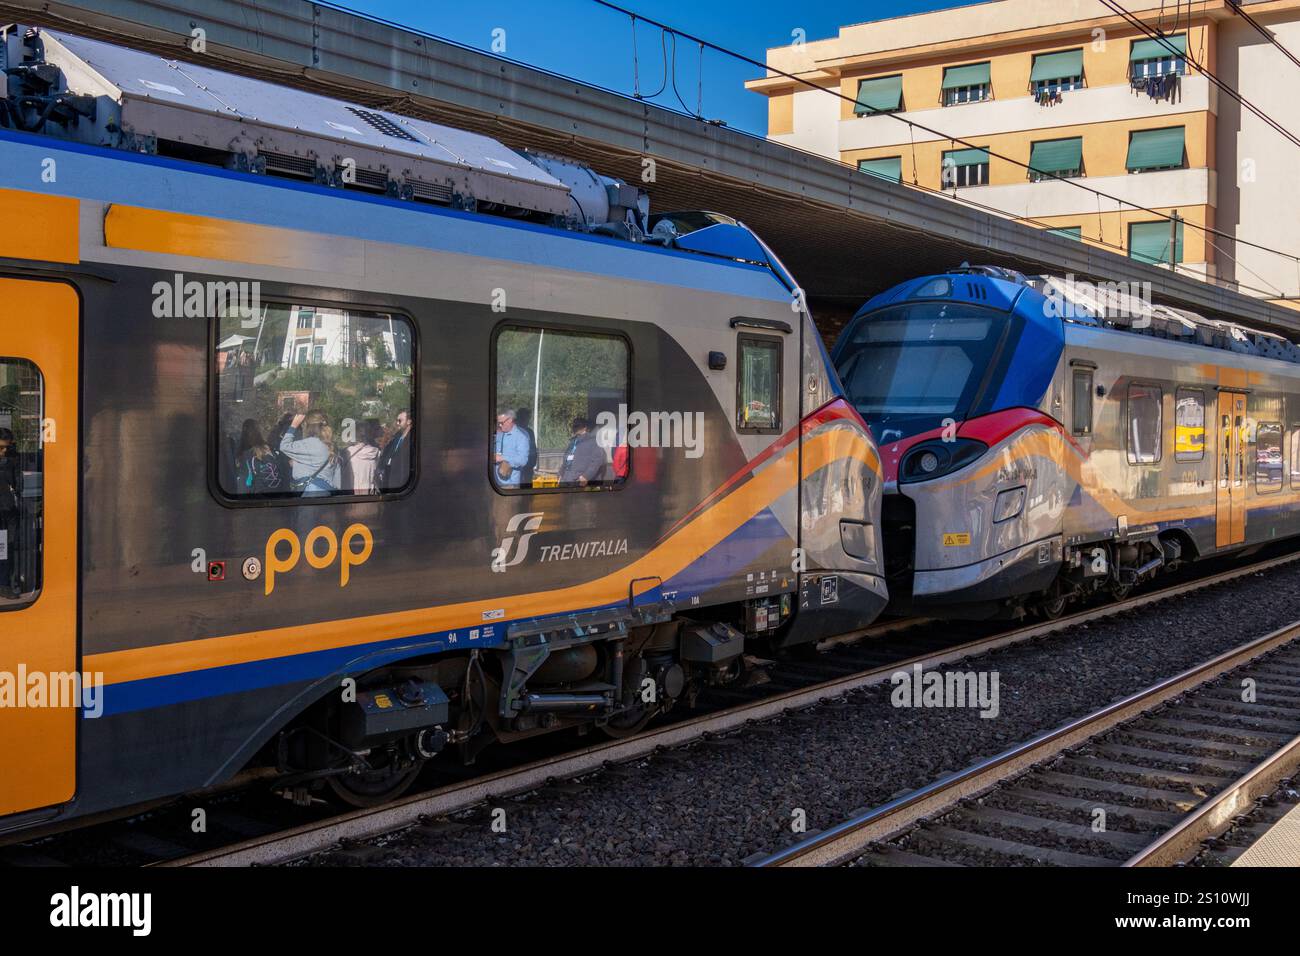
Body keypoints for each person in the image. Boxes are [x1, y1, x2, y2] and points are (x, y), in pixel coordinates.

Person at [279, 409, 341, 497]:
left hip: (311, 491)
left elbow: (284, 446)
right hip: (327, 491)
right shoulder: (332, 446)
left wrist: (293, 425)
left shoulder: (308, 444)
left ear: (308, 426)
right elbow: (336, 474)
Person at [0, 428, 20, 598]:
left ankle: (5, 583)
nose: (4, 451)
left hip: (8, 510)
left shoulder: (11, 461)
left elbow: (16, 482)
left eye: (7, 447)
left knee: (7, 547)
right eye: (1, 448)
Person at [558, 417, 606, 487]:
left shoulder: (593, 441)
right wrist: (560, 474)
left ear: (585, 427)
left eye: (578, 426)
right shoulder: (572, 441)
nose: (575, 428)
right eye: (574, 426)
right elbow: (566, 459)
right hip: (565, 479)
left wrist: (586, 476)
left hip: (579, 481)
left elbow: (597, 460)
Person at [493, 407, 530, 489]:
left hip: (509, 485)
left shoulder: (521, 437)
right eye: (498, 423)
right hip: (494, 483)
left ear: (510, 420)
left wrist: (502, 458)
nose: (499, 425)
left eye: (501, 423)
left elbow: (523, 460)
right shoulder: (499, 434)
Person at [376, 409, 413, 491]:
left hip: (403, 482)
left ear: (409, 421)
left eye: (400, 421)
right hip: (390, 477)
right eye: (397, 420)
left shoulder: (412, 438)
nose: (397, 423)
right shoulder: (397, 436)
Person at [346, 419, 383, 495]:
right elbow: (378, 475)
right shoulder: (376, 453)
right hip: (371, 494)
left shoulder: (348, 453)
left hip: (353, 493)